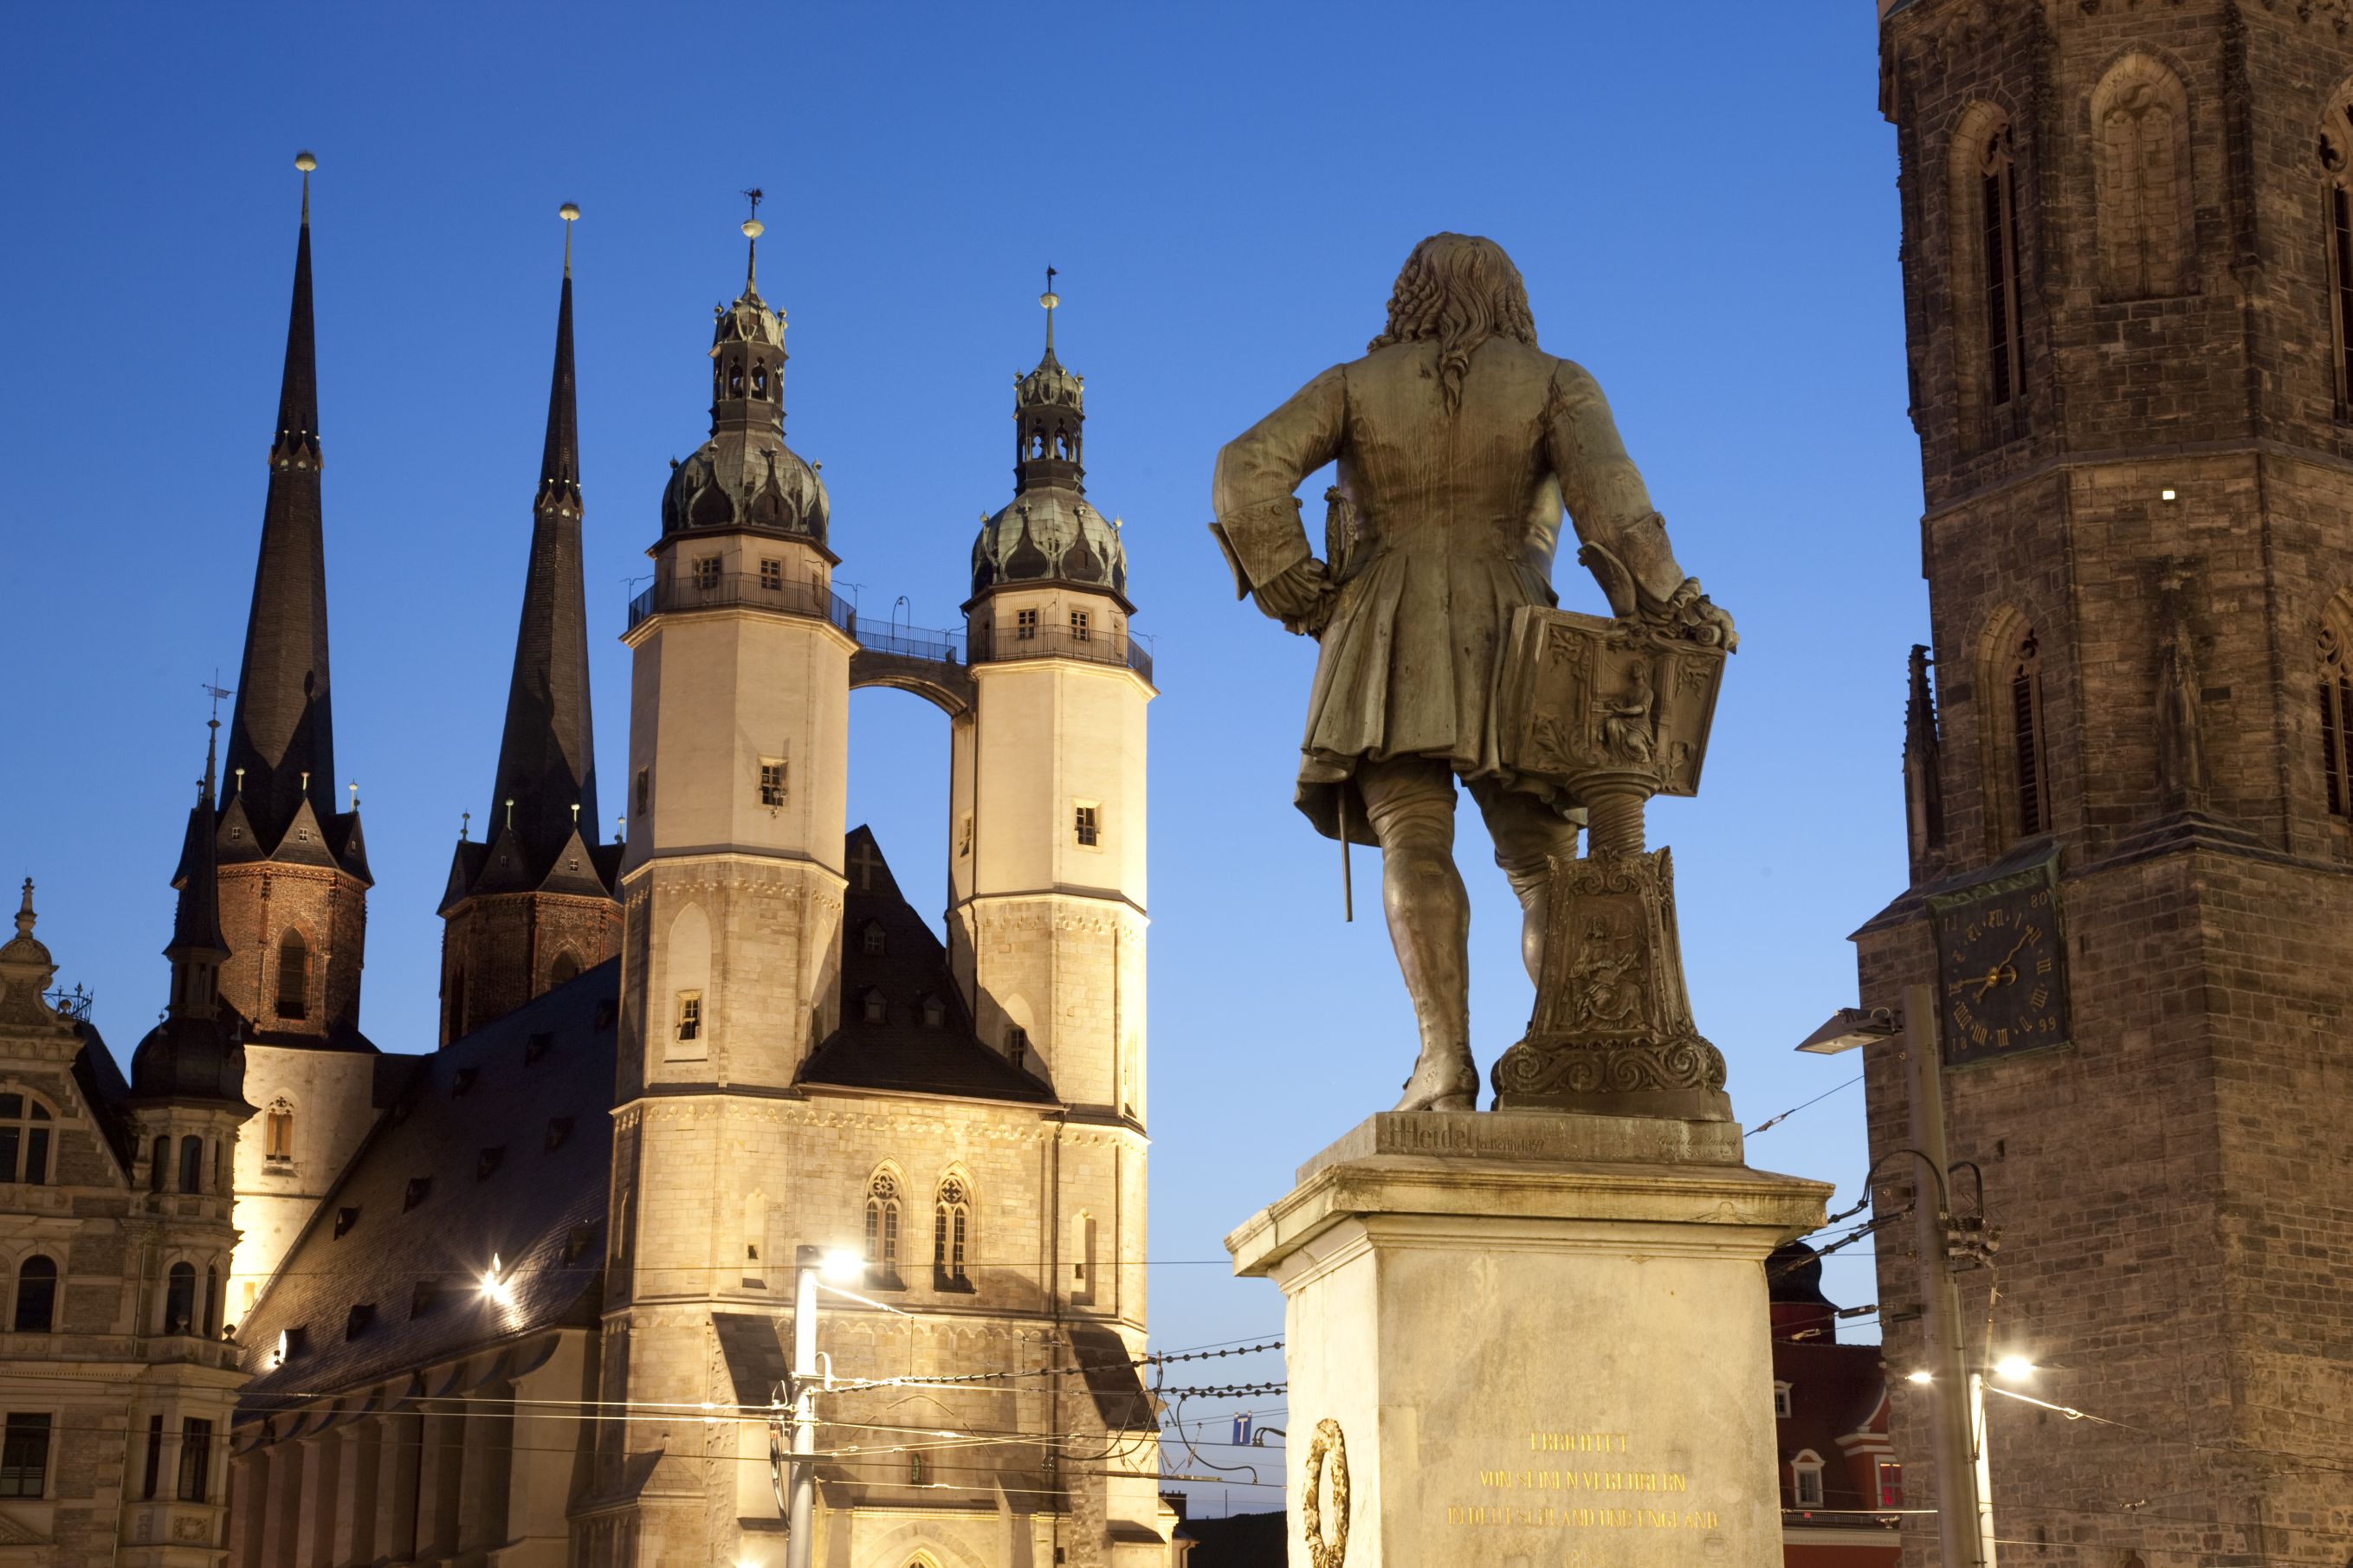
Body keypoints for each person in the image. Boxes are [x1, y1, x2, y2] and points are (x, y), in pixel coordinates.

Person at [1211, 233, 1732, 1113]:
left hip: (1382, 624)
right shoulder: (1555, 380)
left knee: (1414, 837)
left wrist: (1295, 582)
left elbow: (1243, 468)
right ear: (1510, 300)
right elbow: (1613, 509)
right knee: (1542, 869)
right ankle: (1563, 1052)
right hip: (1520, 634)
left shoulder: (1352, 384)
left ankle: (1442, 1060)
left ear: (1406, 299)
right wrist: (1677, 603)